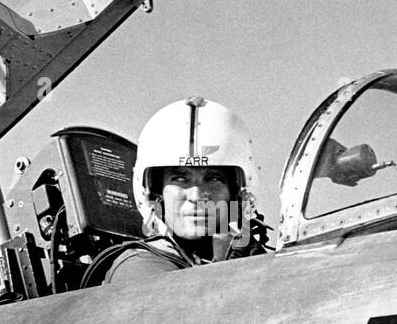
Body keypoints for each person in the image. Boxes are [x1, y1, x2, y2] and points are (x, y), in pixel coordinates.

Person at [90, 97, 269, 284]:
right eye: (180, 179)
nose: (197, 196)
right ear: (156, 194)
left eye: (213, 179)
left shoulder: (244, 256)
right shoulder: (140, 267)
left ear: (235, 194)